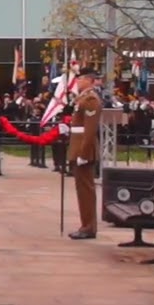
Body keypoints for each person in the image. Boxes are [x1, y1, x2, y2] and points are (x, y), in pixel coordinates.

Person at [67, 67, 101, 240]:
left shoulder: (90, 99)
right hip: (77, 145)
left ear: (88, 80)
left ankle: (88, 226)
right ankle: (86, 224)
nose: (78, 81)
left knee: (86, 190)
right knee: (82, 189)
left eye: (80, 79)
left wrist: (84, 153)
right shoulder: (82, 98)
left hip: (83, 148)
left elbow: (90, 130)